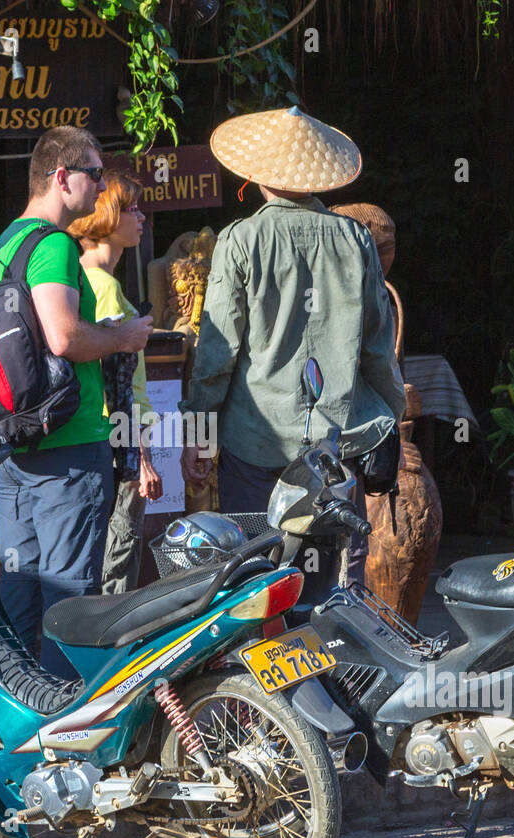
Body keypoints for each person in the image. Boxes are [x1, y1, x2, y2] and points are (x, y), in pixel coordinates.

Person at [179, 106, 406, 584]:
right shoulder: (355, 240)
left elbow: (216, 355)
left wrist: (197, 435)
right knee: (330, 587)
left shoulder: (240, 240)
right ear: (319, 175)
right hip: (335, 445)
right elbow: (378, 348)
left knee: (256, 585)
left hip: (254, 442)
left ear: (258, 176)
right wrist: (391, 420)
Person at [0, 127, 153, 676]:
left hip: (14, 449)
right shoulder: (53, 244)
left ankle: (16, 724)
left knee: (19, 597)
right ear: (62, 177)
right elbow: (61, 338)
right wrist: (123, 338)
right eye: (95, 174)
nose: (101, 187)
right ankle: (62, 737)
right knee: (69, 602)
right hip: (70, 450)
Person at [67, 170, 164, 593]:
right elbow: (118, 384)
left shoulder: (89, 278)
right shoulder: (103, 285)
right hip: (118, 445)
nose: (141, 217)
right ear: (106, 215)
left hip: (103, 442)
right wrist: (140, 459)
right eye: (131, 208)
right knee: (118, 562)